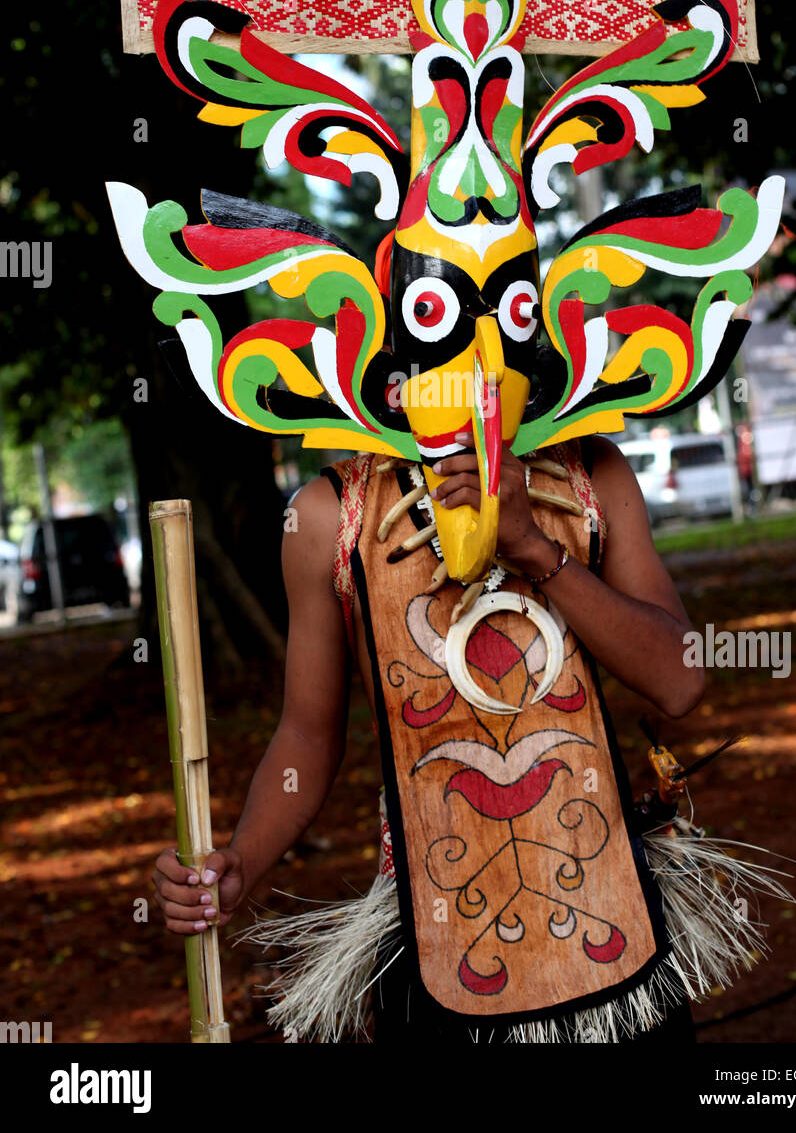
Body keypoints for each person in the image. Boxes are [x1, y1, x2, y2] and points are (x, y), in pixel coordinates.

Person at [152, 431, 704, 1042]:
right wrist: (242, 860)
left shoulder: (591, 472)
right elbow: (307, 735)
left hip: (610, 916)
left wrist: (535, 549)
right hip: (431, 935)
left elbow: (679, 680)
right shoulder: (327, 515)